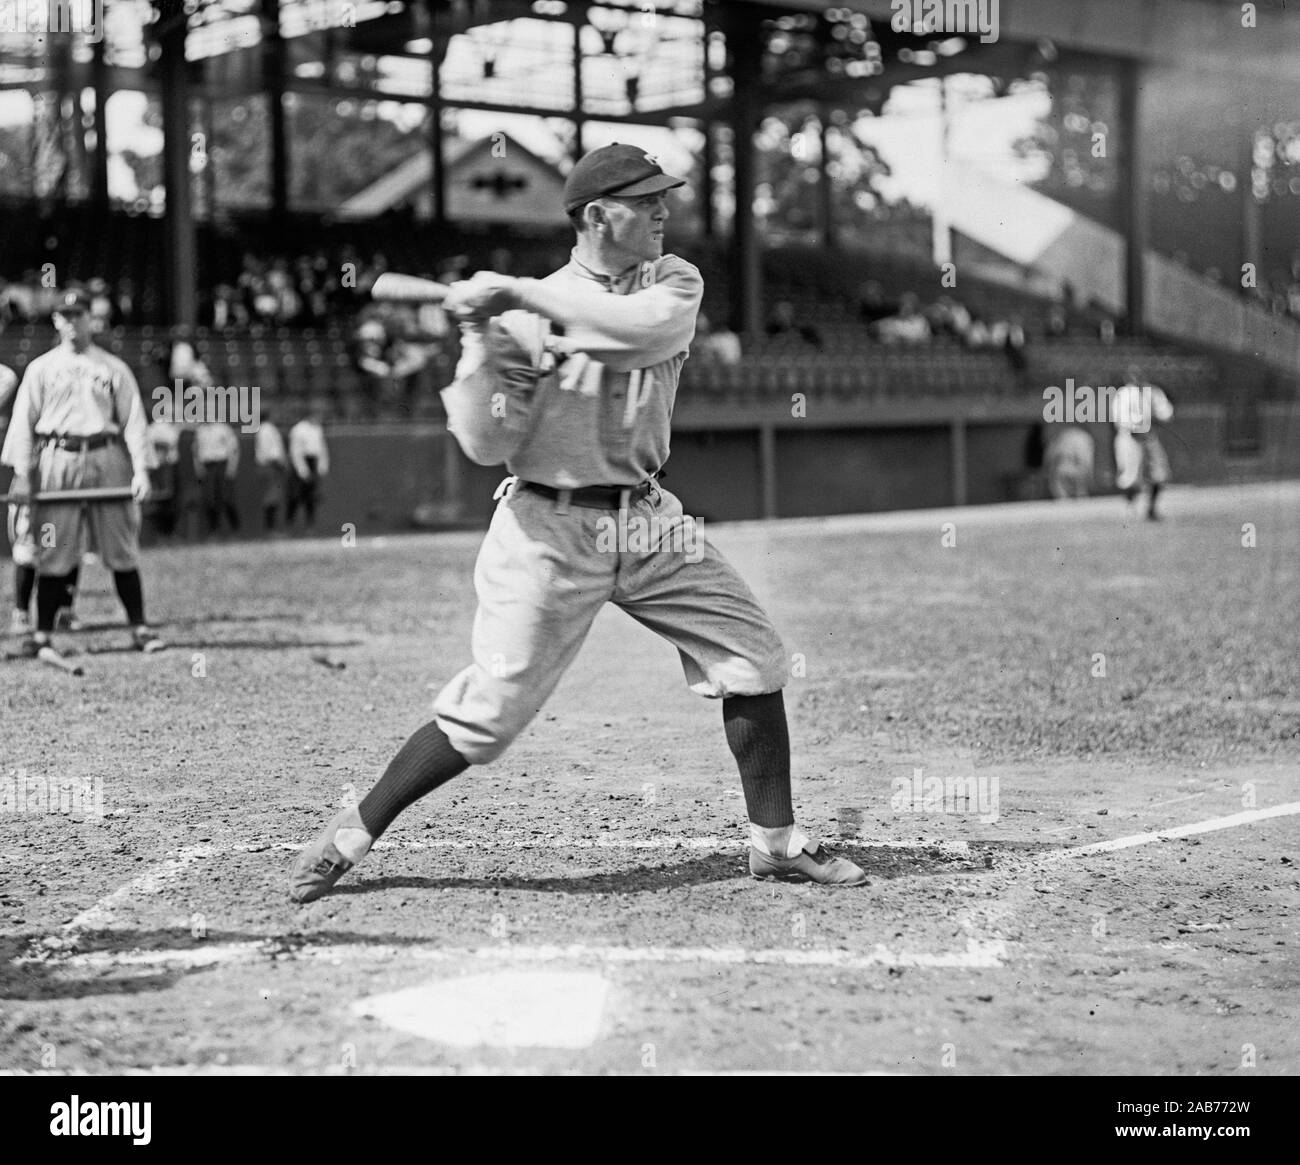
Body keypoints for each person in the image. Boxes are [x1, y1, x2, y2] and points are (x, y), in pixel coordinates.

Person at [289, 143, 867, 903]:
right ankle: (352, 832)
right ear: (597, 215)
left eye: (663, 197)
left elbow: (637, 333)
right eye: (646, 200)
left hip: (647, 519)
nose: (663, 210)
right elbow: (485, 442)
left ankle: (777, 843)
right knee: (489, 715)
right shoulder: (522, 314)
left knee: (753, 658)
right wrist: (480, 340)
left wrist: (522, 298)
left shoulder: (671, 280)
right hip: (547, 528)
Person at [0, 287, 165, 659]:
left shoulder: (112, 367)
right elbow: (23, 423)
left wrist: (141, 470)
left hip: (106, 455)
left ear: (91, 319)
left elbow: (134, 421)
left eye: (79, 315)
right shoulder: (41, 368)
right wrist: (23, 473)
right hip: (57, 456)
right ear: (56, 321)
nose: (73, 322)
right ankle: (42, 634)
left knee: (121, 547)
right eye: (66, 316)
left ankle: (139, 627)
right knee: (54, 548)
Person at [1113, 366, 1174, 520]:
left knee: (1159, 473)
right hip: (1130, 438)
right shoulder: (1123, 394)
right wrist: (1136, 424)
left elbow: (1166, 413)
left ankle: (1151, 509)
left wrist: (1157, 416)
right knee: (1131, 476)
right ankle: (1130, 508)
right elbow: (1119, 418)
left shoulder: (1152, 392)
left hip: (1149, 436)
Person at [193, 414, 241, 538]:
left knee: (226, 498)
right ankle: (213, 531)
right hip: (207, 466)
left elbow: (234, 449)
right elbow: (195, 451)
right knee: (210, 499)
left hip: (222, 465)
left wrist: (231, 467)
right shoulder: (200, 430)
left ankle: (235, 529)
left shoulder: (224, 428)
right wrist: (198, 467)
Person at [287, 405, 329, 530]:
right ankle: (289, 523)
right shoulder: (298, 429)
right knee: (295, 495)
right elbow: (296, 452)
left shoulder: (318, 429)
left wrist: (322, 466)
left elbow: (322, 449)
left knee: (311, 496)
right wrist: (303, 471)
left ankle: (310, 525)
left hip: (313, 463)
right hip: (301, 463)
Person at [254, 407, 288, 533]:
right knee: (271, 497)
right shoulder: (266, 430)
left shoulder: (267, 429)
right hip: (270, 466)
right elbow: (269, 452)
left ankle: (271, 528)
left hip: (272, 466)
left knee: (274, 496)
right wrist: (280, 463)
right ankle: (270, 528)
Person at [1044, 425, 1095, 500]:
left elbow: (1051, 455)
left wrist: (1049, 470)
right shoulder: (1083, 437)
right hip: (1074, 469)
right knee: (1080, 494)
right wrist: (1089, 474)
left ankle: (1065, 501)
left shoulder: (1064, 436)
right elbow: (1085, 458)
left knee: (1064, 495)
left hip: (1064, 469)